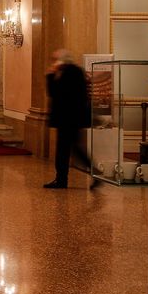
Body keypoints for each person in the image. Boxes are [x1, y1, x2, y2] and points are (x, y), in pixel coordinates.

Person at [43, 49, 95, 189]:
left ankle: (62, 180)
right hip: (71, 118)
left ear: (62, 60)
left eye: (55, 59)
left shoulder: (68, 73)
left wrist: (50, 75)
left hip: (68, 118)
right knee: (70, 149)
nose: (54, 62)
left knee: (65, 150)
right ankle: (62, 179)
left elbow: (55, 92)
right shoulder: (76, 71)